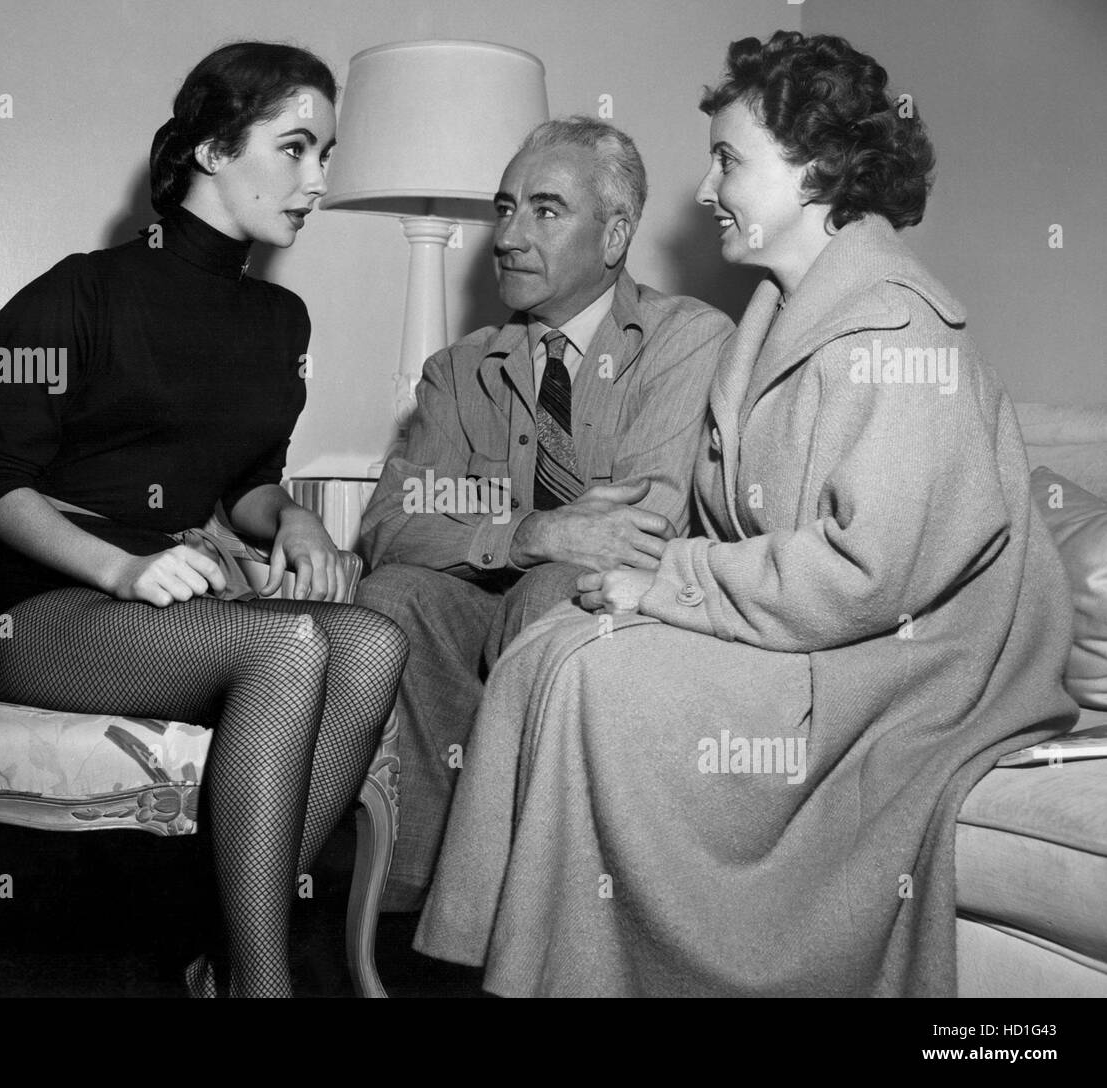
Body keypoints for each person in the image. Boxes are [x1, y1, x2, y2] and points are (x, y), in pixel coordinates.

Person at [414, 30, 1078, 996]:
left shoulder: (898, 327)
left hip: (907, 674)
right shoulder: (778, 316)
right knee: (554, 646)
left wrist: (667, 585)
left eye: (729, 159)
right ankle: (521, 972)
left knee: (606, 685)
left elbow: (870, 575)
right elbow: (741, 530)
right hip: (814, 635)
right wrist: (652, 589)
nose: (703, 189)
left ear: (814, 170)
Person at [0, 42, 408, 998]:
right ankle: (261, 983)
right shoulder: (71, 293)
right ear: (211, 149)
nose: (318, 180)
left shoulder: (280, 321)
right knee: (287, 648)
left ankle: (219, 959)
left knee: (368, 641)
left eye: (326, 153)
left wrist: (299, 524)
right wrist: (119, 568)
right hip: (34, 614)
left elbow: (248, 484)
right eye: (295, 149)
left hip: (172, 610)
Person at [355, 117, 733, 911]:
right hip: (501, 600)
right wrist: (529, 532)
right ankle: (416, 899)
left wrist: (502, 536)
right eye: (505, 208)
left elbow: (640, 528)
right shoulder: (459, 371)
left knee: (551, 591)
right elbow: (392, 523)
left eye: (546, 210)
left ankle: (528, 900)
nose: (508, 235)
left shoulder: (688, 338)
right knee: (392, 598)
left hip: (634, 624)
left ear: (616, 234)